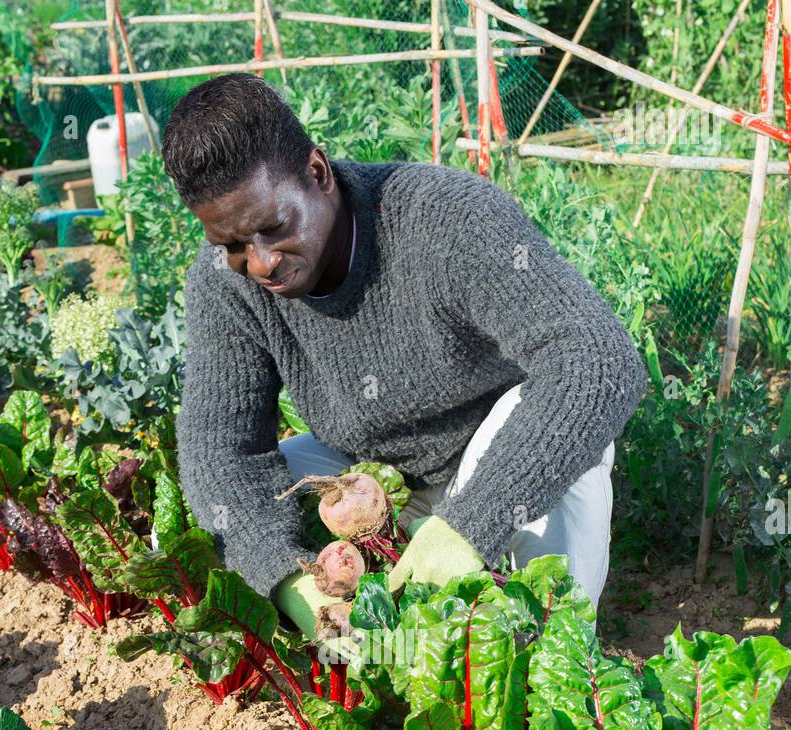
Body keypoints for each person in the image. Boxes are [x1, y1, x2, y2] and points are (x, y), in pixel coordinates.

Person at [161, 73, 647, 634]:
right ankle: (358, 635)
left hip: (491, 459)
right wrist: (292, 586)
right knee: (220, 516)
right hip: (375, 480)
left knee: (563, 440)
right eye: (233, 245)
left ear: (317, 174)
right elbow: (223, 452)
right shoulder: (225, 281)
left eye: (274, 228)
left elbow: (598, 356)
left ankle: (550, 653)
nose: (261, 263)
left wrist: (469, 526)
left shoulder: (445, 219)